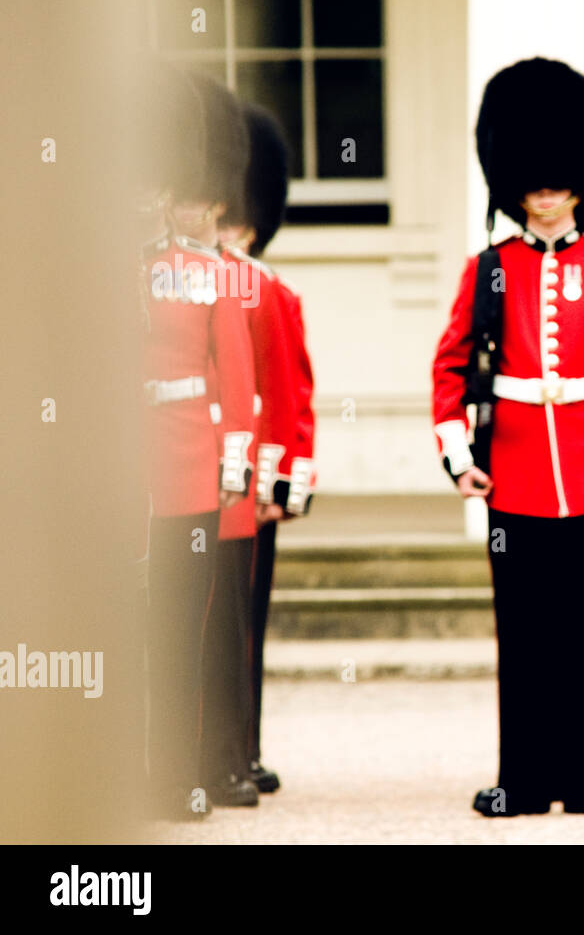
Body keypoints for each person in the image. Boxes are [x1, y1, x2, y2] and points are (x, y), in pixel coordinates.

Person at [432, 58, 584, 817]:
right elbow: (451, 362)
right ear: (514, 184)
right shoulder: (489, 269)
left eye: (557, 179)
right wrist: (460, 456)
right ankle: (526, 777)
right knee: (525, 642)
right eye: (533, 180)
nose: (546, 193)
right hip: (518, 478)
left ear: (580, 183)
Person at [142, 71, 256, 820]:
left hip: (186, 466)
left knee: (182, 633)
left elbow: (238, 377)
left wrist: (237, 462)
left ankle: (178, 773)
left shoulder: (209, 277)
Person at [210, 100, 314, 801]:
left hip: (245, 480)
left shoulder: (266, 292)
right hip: (187, 464)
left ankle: (239, 747)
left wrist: (277, 484)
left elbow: (284, 392)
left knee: (242, 624)